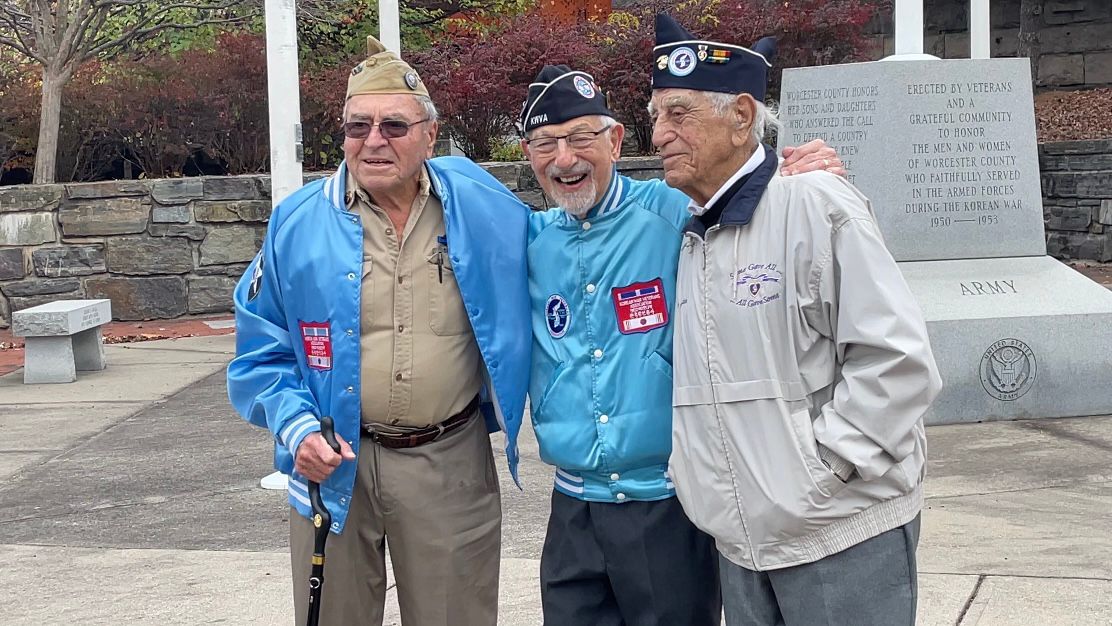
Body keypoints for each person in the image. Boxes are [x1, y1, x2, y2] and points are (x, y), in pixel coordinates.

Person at [520, 64, 843, 625]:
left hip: (667, 504)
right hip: (572, 508)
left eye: (579, 138)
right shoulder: (529, 240)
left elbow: (749, 195)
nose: (563, 159)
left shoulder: (674, 211)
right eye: (544, 144)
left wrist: (801, 174)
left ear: (616, 140)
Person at [649, 13, 943, 626]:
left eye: (679, 114)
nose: (658, 134)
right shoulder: (694, 234)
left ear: (742, 117)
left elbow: (897, 359)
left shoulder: (815, 203)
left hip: (840, 535)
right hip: (743, 547)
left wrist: (825, 469)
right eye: (655, 116)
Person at [227, 36, 531, 626]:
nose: (372, 141)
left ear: (430, 134)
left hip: (449, 460)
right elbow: (261, 348)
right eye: (356, 126)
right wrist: (296, 431)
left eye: (393, 125)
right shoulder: (297, 223)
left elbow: (567, 254)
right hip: (333, 463)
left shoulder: (486, 205)